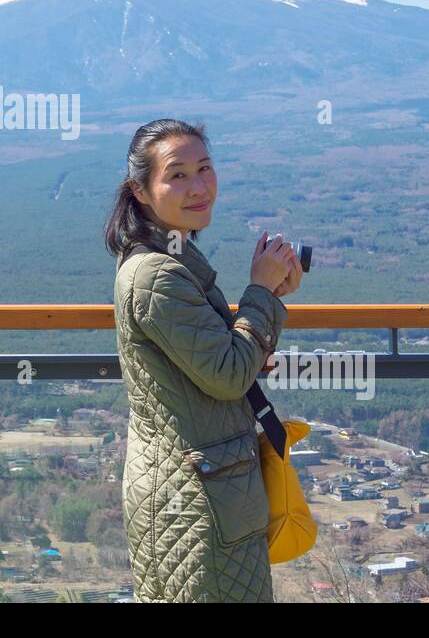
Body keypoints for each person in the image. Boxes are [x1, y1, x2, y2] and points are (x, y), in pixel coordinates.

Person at [105, 118, 302, 602]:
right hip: (198, 501)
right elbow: (228, 375)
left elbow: (205, 365)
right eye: (177, 175)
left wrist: (266, 305)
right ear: (141, 190)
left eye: (205, 169)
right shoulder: (157, 275)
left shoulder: (168, 259)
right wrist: (260, 290)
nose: (198, 188)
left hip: (201, 492)